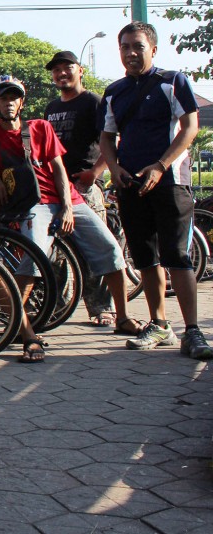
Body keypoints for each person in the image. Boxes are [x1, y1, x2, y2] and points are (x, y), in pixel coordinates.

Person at [0, 78, 130, 364]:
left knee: (111, 250)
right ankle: (26, 332)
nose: (9, 103)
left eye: (14, 98)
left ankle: (124, 317)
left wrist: (67, 207)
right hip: (32, 205)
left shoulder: (41, 128)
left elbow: (58, 168)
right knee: (33, 258)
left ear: (22, 103)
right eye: (3, 98)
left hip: (68, 201)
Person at [98, 21, 212, 359]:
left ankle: (192, 331)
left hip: (170, 182)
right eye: (125, 48)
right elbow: (106, 136)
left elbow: (189, 126)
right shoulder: (114, 91)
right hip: (131, 185)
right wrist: (115, 168)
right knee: (145, 256)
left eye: (138, 46)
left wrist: (161, 166)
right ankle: (159, 323)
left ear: (153, 49)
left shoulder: (172, 81)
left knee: (177, 256)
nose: (131, 53)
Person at [43, 50, 132, 332]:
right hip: (57, 187)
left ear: (79, 70)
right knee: (56, 252)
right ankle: (58, 307)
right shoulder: (51, 107)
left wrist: (95, 172)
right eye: (56, 70)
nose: (62, 74)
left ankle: (101, 308)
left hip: (85, 184)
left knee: (94, 249)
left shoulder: (93, 102)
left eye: (67, 68)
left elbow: (110, 138)